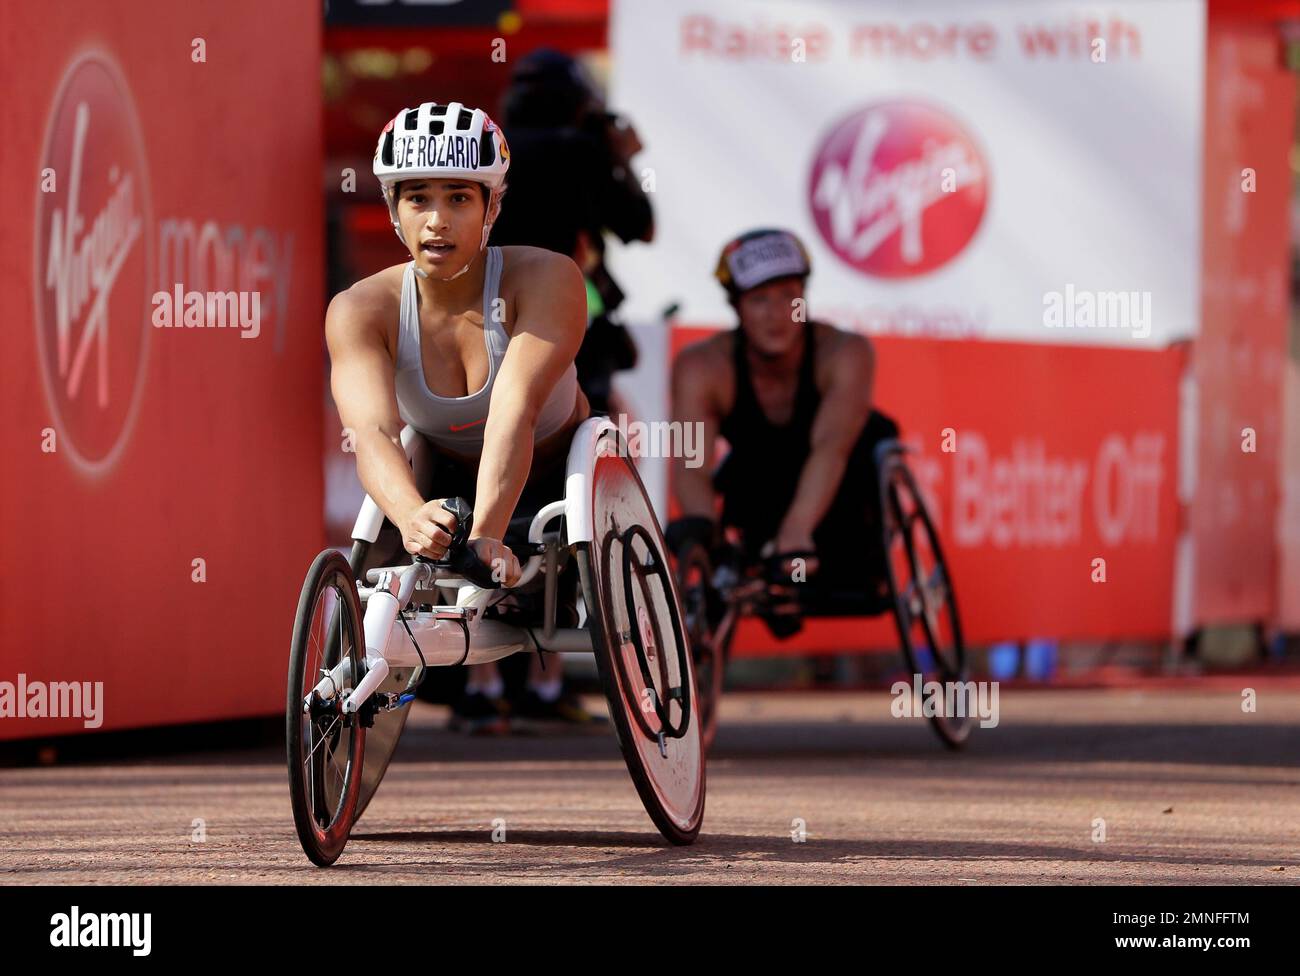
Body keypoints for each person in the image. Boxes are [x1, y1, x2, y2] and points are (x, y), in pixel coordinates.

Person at [325, 100, 589, 732]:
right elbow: (373, 432)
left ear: (492, 207)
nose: (437, 221)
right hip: (443, 475)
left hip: (554, 471)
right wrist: (413, 516)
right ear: (392, 212)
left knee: (515, 430)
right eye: (417, 198)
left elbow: (514, 414)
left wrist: (485, 540)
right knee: (396, 489)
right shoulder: (361, 308)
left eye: (459, 199)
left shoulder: (548, 277)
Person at [667, 228, 900, 637]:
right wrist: (705, 537)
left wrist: (796, 531)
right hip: (762, 477)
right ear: (736, 306)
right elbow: (691, 463)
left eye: (788, 295)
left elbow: (832, 446)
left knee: (867, 445)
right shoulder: (702, 367)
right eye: (759, 299)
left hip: (842, 486)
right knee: (737, 483)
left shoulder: (846, 352)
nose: (777, 313)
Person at [489, 48, 654, 415]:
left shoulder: (493, 150)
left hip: (493, 317)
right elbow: (641, 226)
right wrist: (623, 159)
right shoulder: (582, 151)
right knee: (581, 431)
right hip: (570, 318)